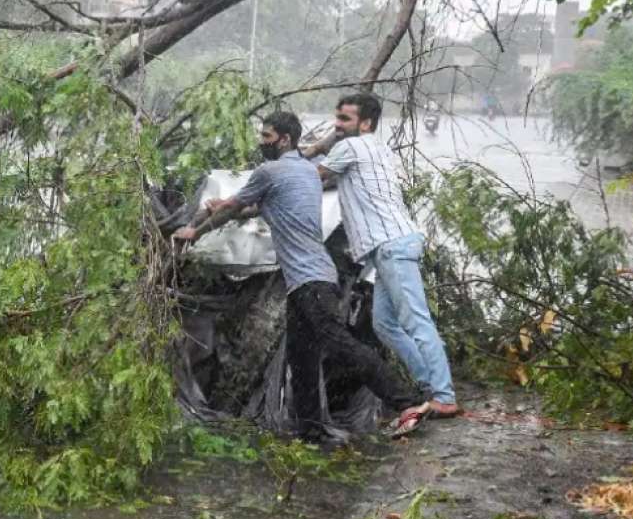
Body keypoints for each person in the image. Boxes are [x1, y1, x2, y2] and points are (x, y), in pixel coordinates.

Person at [173, 111, 429, 441]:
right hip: (310, 281)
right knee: (302, 357)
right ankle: (311, 431)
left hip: (310, 282)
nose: (261, 142)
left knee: (340, 345)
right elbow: (253, 207)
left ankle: (406, 402)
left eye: (267, 137)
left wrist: (193, 231)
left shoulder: (270, 171)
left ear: (285, 139)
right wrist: (224, 205)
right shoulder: (306, 172)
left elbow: (235, 209)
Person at [306, 93, 459, 419]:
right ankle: (428, 385)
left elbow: (310, 177)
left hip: (391, 245)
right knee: (386, 324)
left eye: (345, 119)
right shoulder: (377, 148)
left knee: (416, 321)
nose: (337, 124)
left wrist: (304, 154)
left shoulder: (349, 147)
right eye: (337, 117)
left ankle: (444, 395)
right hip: (393, 245)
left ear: (366, 123)